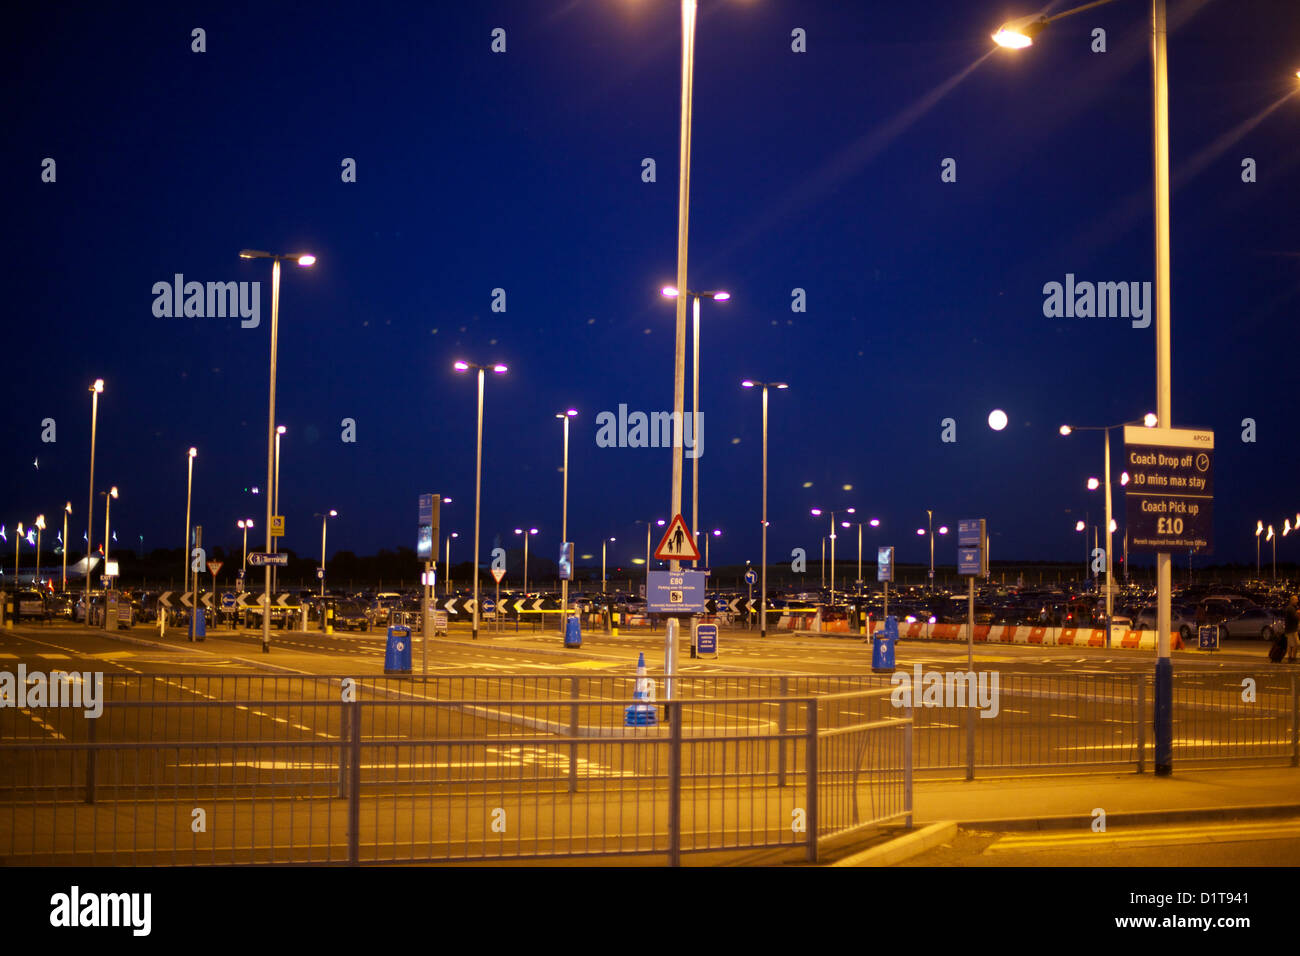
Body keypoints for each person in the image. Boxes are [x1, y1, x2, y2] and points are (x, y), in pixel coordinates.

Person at [1285, 595, 1300, 664]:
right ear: (1292, 600)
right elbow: (1295, 618)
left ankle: (1291, 657)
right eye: (1296, 600)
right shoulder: (1290, 608)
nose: (1297, 601)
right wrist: (1298, 613)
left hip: (1291, 629)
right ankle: (1292, 658)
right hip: (1291, 630)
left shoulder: (1292, 608)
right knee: (1296, 644)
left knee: (1291, 644)